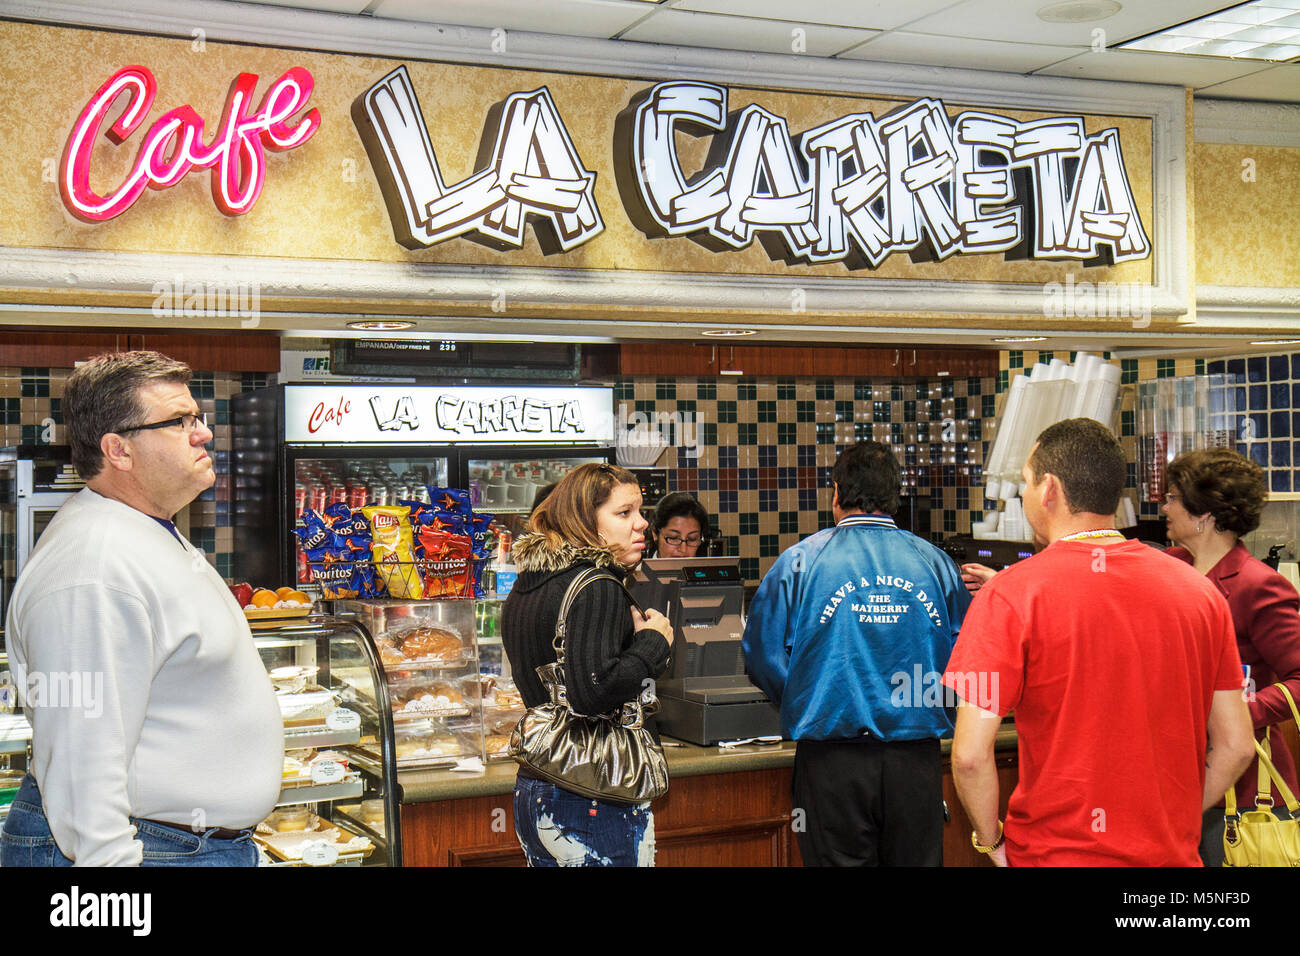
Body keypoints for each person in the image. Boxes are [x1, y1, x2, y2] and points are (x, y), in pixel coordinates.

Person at [1, 351, 282, 867]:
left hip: (183, 846)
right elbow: (82, 765)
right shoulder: (95, 566)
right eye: (178, 422)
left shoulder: (146, 529)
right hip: (144, 852)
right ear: (119, 451)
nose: (203, 434)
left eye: (196, 418)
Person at [945, 419, 1256, 866]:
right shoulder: (1199, 591)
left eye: (1026, 483)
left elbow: (971, 756)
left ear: (1048, 489)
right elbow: (1237, 745)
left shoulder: (1009, 594)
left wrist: (993, 845)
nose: (1026, 496)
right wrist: (1170, 820)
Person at [742, 440, 971, 866]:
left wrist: (807, 698)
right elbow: (967, 654)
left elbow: (761, 654)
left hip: (831, 762)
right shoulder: (937, 564)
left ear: (836, 491)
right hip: (917, 762)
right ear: (896, 498)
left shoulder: (800, 563)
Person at [501, 462, 674, 866]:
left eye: (641, 511)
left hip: (537, 785)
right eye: (624, 513)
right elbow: (592, 692)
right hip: (593, 794)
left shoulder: (529, 584)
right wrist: (653, 644)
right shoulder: (598, 584)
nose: (642, 524)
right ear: (587, 522)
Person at [1162, 448, 1300, 865]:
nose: (1163, 506)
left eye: (1172, 497)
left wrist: (1240, 713)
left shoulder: (1259, 586)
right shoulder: (1167, 569)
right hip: (1175, 777)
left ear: (1203, 514)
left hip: (1243, 795)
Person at [649, 491, 710, 558]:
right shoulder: (639, 568)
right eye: (674, 538)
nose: (683, 550)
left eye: (692, 539)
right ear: (655, 533)